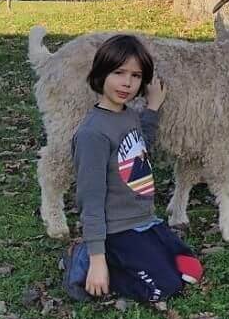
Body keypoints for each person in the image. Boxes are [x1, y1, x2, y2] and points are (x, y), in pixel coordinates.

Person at [60, 35, 203, 302]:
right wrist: (98, 259)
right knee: (164, 288)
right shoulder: (93, 134)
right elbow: (89, 202)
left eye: (136, 76)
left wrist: (153, 108)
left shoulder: (127, 115)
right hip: (117, 230)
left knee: (189, 266)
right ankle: (86, 263)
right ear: (101, 73)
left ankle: (135, 255)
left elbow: (139, 147)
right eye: (119, 72)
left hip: (145, 221)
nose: (127, 82)